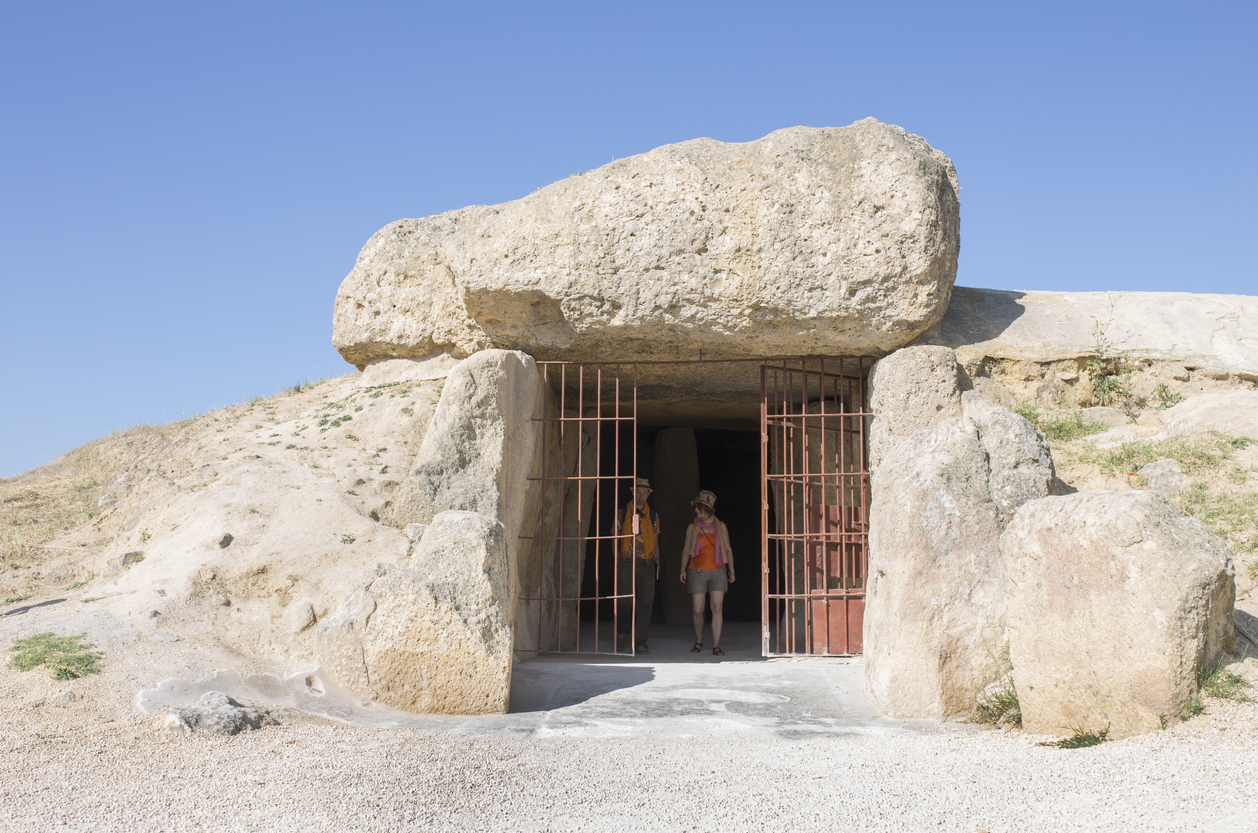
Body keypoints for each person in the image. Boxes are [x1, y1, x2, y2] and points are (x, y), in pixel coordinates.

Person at [679, 490, 735, 656]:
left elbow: (728, 549)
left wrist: (732, 570)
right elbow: (685, 550)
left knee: (717, 608)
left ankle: (716, 645)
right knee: (698, 610)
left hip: (718, 571)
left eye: (698, 507)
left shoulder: (721, 526)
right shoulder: (692, 527)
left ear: (706, 508)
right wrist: (682, 569)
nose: (695, 510)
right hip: (696, 571)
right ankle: (699, 640)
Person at [614, 477, 660, 654]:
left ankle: (641, 641)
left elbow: (656, 540)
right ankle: (621, 632)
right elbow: (615, 537)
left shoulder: (654, 515)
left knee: (645, 602)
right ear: (633, 493)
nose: (640, 496)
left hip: (646, 562)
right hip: (626, 561)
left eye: (644, 493)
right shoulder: (623, 512)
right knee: (624, 599)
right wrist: (616, 557)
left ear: (648, 494)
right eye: (638, 492)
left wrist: (658, 560)